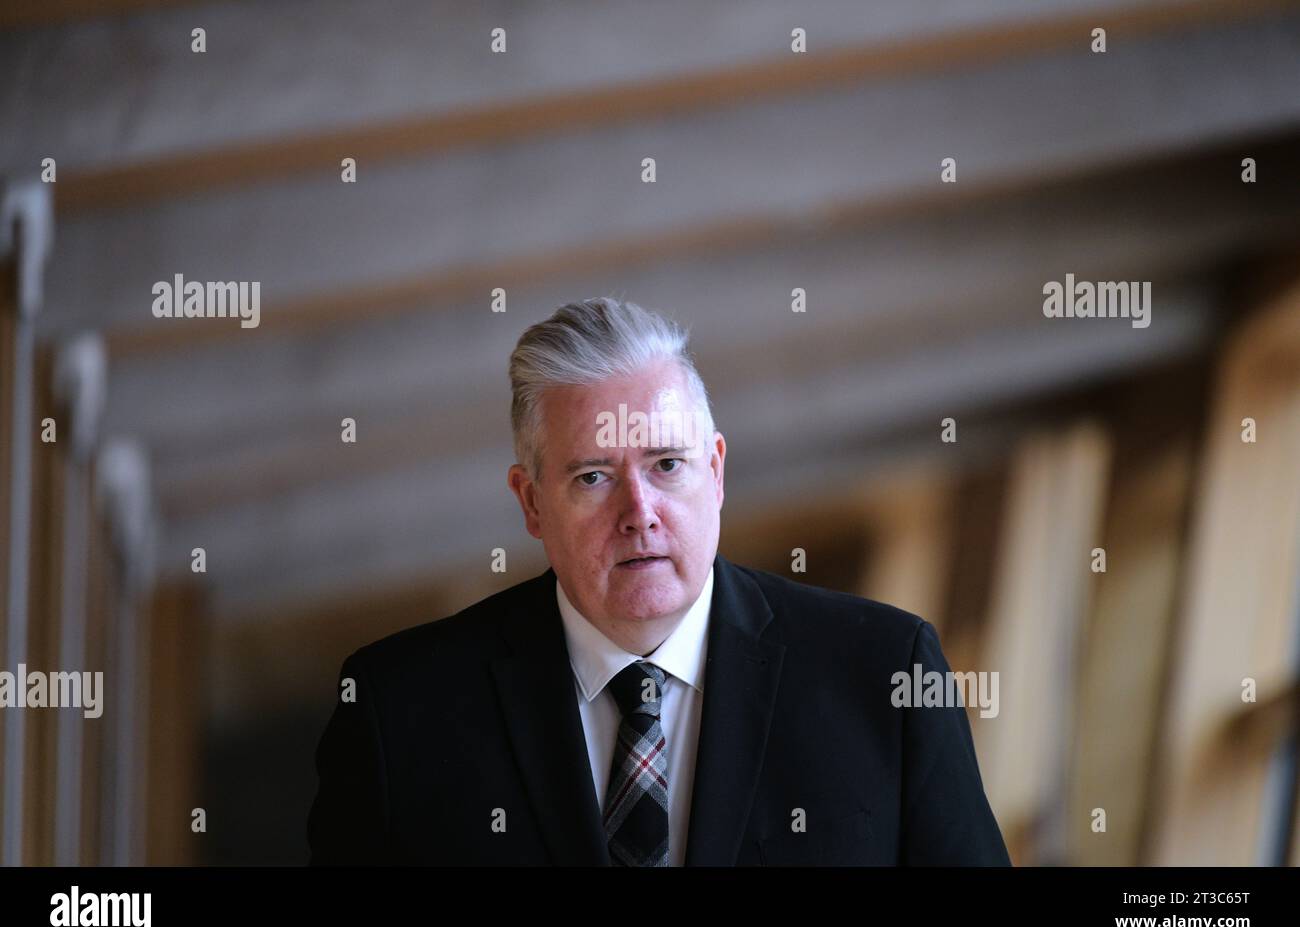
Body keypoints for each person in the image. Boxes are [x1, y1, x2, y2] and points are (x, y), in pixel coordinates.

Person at [307, 296, 1011, 866]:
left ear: (716, 470)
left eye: (667, 466)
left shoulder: (883, 672)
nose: (638, 514)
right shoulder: (399, 713)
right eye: (592, 478)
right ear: (531, 504)